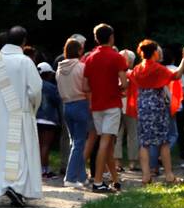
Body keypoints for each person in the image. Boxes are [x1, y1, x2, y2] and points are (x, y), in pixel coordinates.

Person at [0, 25, 44, 206]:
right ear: (24, 41)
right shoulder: (25, 61)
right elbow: (35, 90)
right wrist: (33, 108)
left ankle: (6, 184)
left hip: (0, 116)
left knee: (4, 151)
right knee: (21, 152)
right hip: (21, 113)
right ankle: (16, 187)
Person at [128, 40, 184, 185]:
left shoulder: (138, 68)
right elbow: (177, 75)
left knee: (144, 143)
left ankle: (146, 176)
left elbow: (129, 80)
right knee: (163, 142)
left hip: (143, 107)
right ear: (155, 53)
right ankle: (169, 176)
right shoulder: (157, 68)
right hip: (158, 107)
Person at [82, 23, 130, 192]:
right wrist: (119, 88)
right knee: (105, 142)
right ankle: (97, 181)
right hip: (112, 104)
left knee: (107, 142)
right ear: (111, 37)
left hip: (96, 105)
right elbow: (124, 83)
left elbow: (86, 85)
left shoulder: (90, 57)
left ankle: (115, 180)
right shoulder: (117, 57)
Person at [56, 37, 90, 186]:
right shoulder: (82, 67)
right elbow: (86, 87)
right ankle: (70, 178)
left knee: (75, 142)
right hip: (80, 103)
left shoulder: (59, 68)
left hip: (66, 105)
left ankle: (81, 177)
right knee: (79, 142)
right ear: (79, 50)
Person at [114, 49, 140, 171]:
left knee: (117, 136)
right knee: (133, 135)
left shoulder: (115, 73)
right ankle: (132, 162)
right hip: (131, 107)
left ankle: (117, 162)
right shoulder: (134, 74)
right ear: (130, 61)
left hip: (117, 107)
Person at [36, 62, 62, 178]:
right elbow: (58, 101)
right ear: (46, 74)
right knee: (46, 145)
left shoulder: (34, 85)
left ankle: (38, 169)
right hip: (49, 120)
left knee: (39, 145)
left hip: (36, 119)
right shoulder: (51, 87)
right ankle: (44, 170)